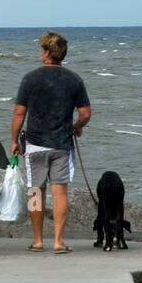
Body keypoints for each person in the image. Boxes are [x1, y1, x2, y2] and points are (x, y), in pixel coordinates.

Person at [11, 30, 91, 254]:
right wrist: (75, 127)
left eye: (42, 50)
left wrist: (14, 140)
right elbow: (85, 113)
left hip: (35, 144)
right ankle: (58, 241)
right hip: (61, 145)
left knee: (36, 192)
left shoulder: (31, 78)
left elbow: (19, 114)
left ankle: (37, 240)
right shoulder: (74, 79)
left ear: (47, 53)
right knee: (60, 193)